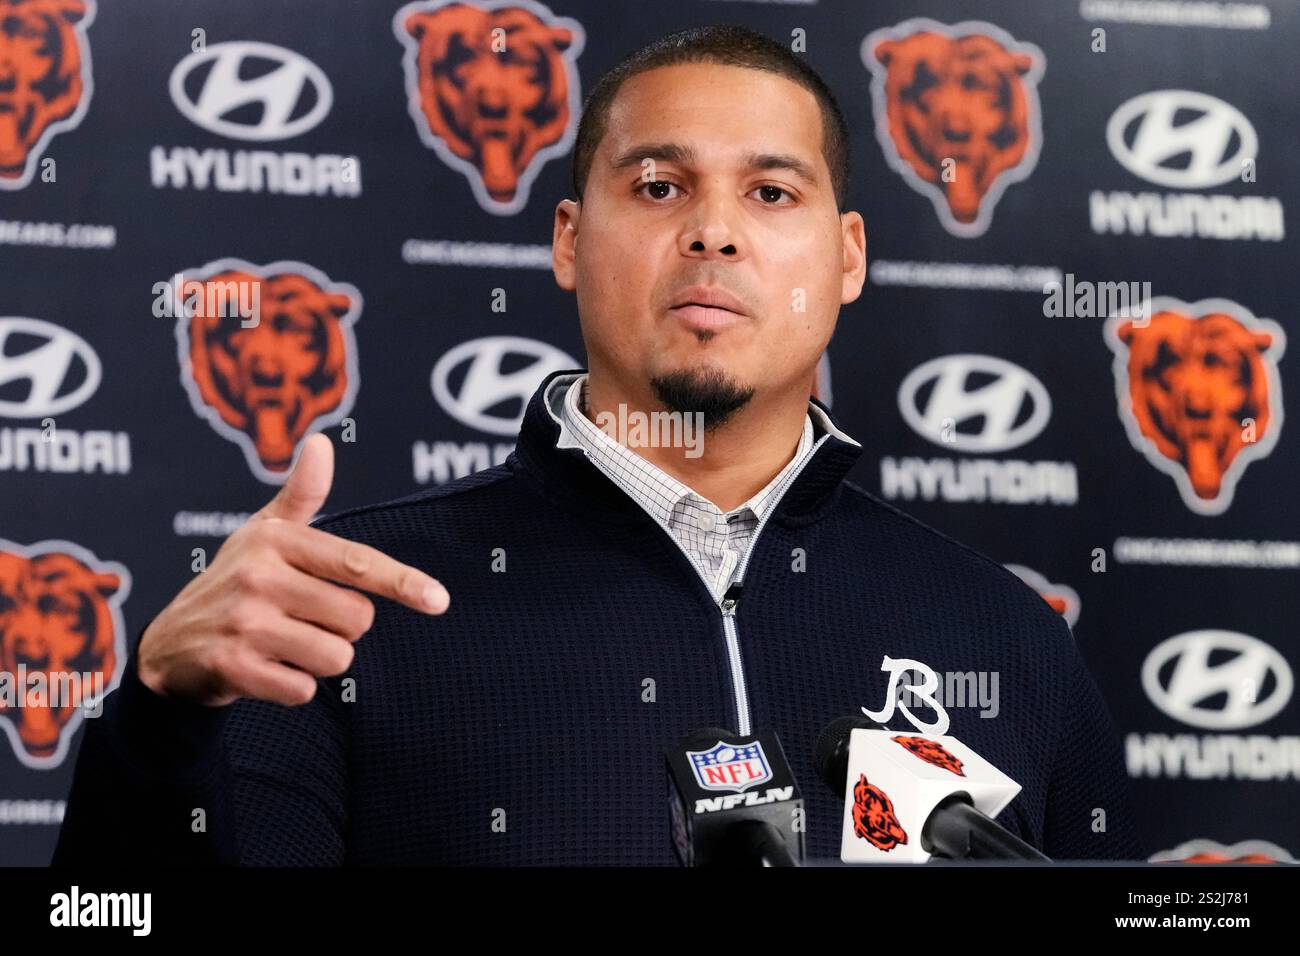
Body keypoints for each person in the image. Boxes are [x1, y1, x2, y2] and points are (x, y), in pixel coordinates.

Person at [53, 24, 1140, 865]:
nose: (713, 231)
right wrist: (155, 719)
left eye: (770, 192)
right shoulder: (339, 617)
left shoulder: (1000, 633)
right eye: (658, 186)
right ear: (570, 240)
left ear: (846, 257)